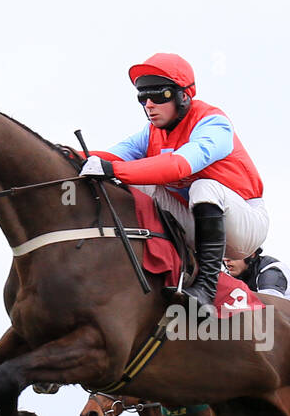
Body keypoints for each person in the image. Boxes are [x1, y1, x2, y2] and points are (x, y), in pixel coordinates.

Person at [80, 53, 268, 318]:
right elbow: (110, 156)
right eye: (142, 98)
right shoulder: (150, 132)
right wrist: (61, 155)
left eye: (159, 96)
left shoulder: (214, 123)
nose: (149, 105)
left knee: (203, 186)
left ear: (184, 96)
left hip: (246, 225)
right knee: (139, 187)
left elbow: (180, 165)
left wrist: (113, 169)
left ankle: (206, 289)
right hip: (197, 220)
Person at [225, 248, 290, 322]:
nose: (226, 259)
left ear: (252, 254)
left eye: (232, 254)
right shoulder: (233, 275)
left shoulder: (271, 272)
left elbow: (269, 311)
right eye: (223, 254)